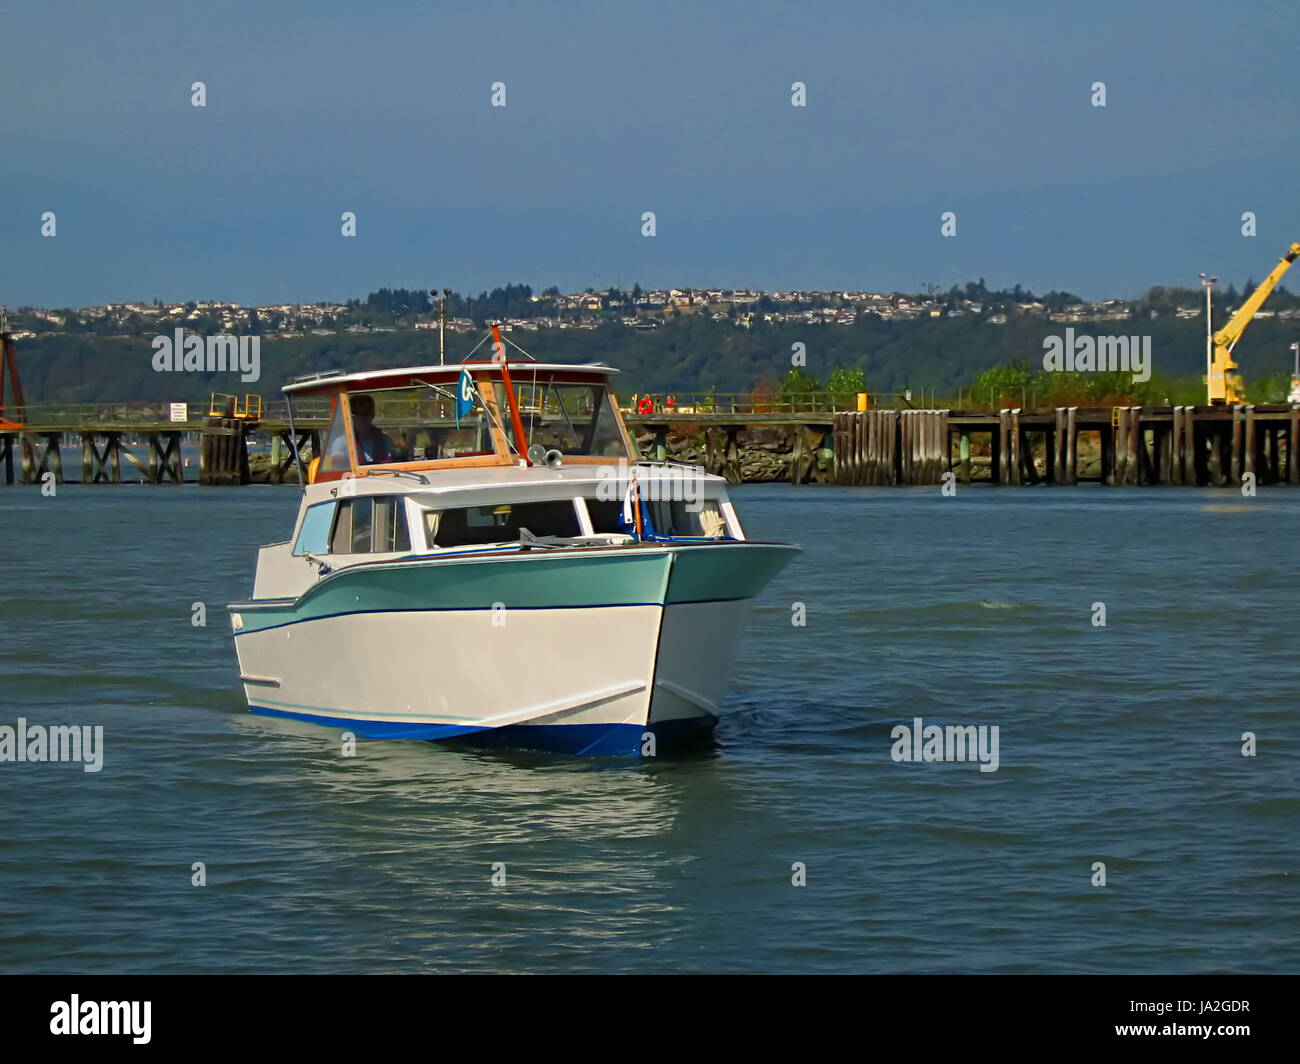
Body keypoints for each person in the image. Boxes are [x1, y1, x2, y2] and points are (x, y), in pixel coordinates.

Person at [327, 393, 400, 465]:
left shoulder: (386, 442)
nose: (360, 418)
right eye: (355, 414)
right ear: (350, 416)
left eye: (364, 414)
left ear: (372, 414)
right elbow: (338, 470)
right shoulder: (341, 443)